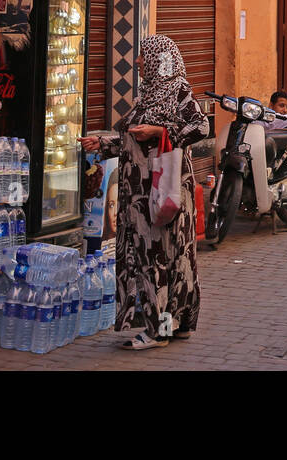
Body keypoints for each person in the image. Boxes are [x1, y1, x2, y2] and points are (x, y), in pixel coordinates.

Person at [87, 34, 209, 350]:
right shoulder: (151, 95)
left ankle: (158, 331)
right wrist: (102, 144)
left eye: (144, 56)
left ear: (160, 61)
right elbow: (136, 141)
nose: (138, 61)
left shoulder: (177, 91)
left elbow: (201, 126)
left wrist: (160, 131)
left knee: (156, 258)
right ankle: (177, 324)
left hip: (162, 191)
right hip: (146, 192)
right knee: (171, 258)